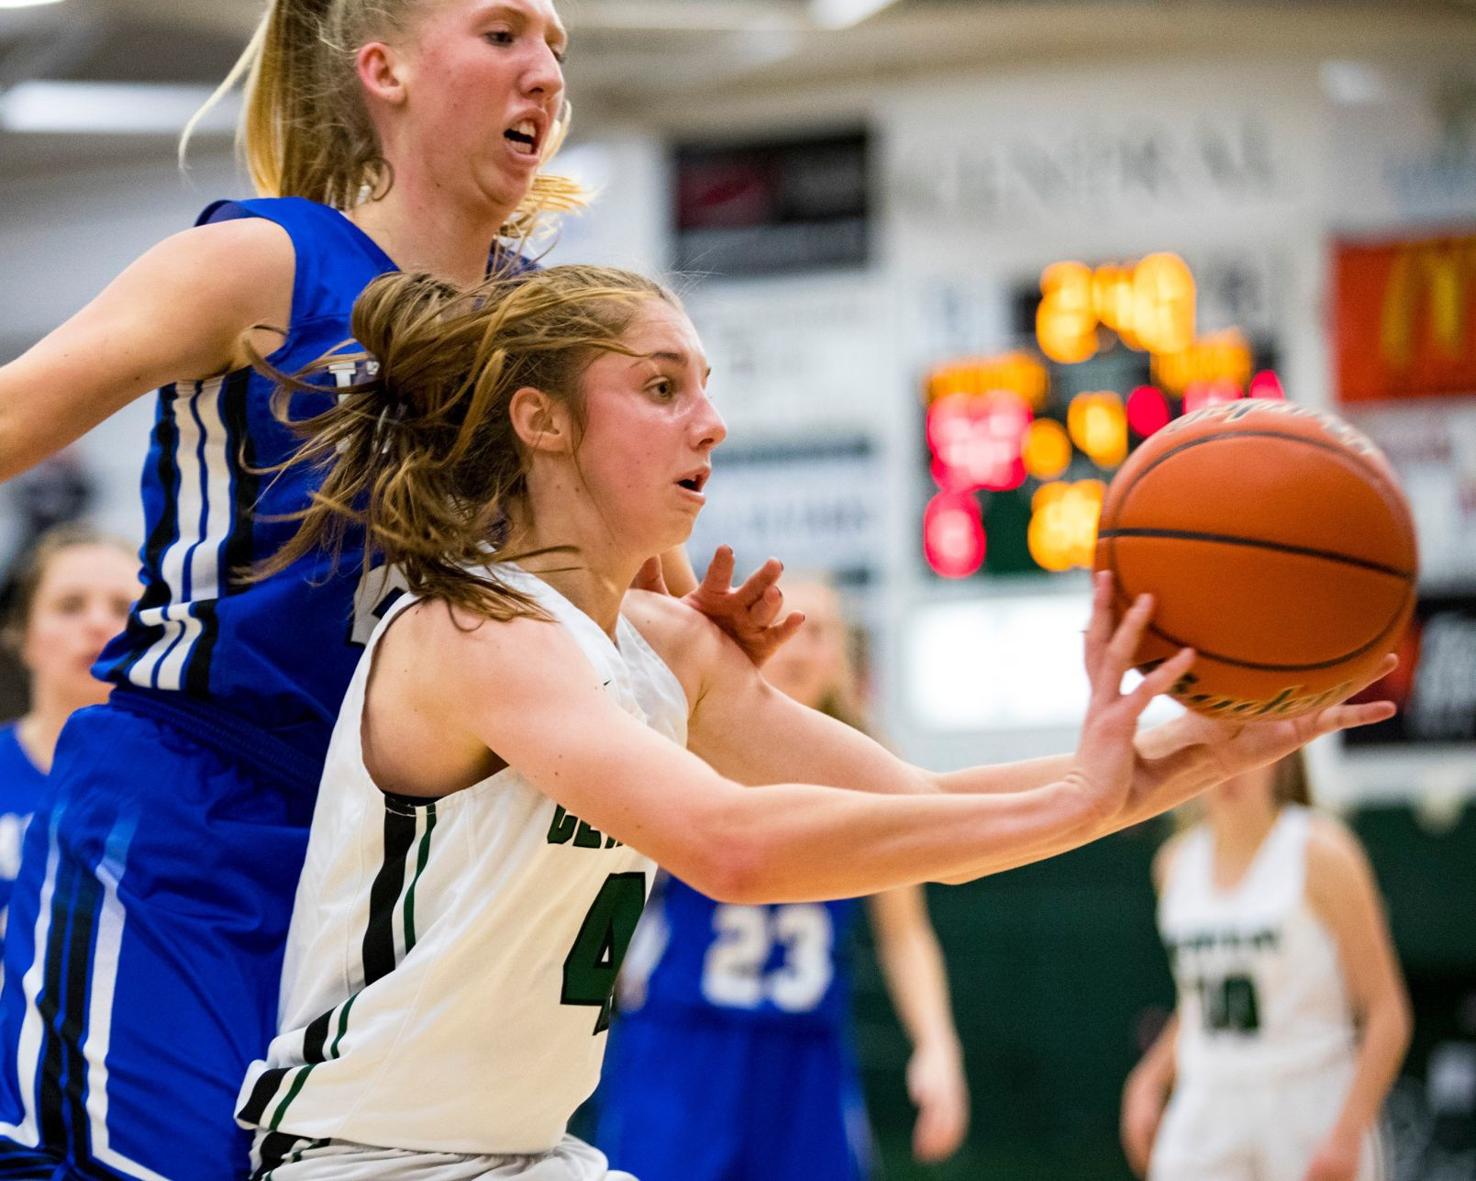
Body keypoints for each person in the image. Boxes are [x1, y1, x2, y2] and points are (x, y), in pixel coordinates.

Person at [233, 263, 1396, 1178]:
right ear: (540, 421)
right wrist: (1087, 791)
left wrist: (1196, 746)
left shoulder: (670, 651)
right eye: (661, 386)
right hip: (369, 1160)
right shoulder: (474, 634)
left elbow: (927, 814)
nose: (713, 422)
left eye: (706, 385)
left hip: (529, 1155)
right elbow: (732, 845)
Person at [0, 2, 792, 1175]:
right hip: (196, 806)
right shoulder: (265, 261)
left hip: (402, 853)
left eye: (559, 50)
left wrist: (694, 641)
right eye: (505, 34)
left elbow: (623, 620)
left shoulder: (545, 338)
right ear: (386, 69)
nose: (547, 71)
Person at [597, 579, 969, 1179]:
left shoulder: (868, 766)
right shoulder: (688, 740)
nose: (798, 646)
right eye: (785, 623)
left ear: (841, 655)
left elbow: (904, 934)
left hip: (804, 1050)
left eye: (817, 630)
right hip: (684, 1036)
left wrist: (936, 1046)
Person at [1119, 754, 1412, 1181]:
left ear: (1279, 758)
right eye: (1213, 745)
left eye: (1243, 744)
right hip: (1208, 1098)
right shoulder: (1174, 863)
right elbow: (1199, 1003)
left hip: (1307, 1098)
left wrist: (1347, 1133)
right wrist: (1149, 1078)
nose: (1229, 766)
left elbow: (1388, 1013)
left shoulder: (1321, 851)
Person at [0, 527, 139, 938]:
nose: (97, 623)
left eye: (121, 608)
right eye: (70, 606)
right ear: (24, 636)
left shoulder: (188, 785)